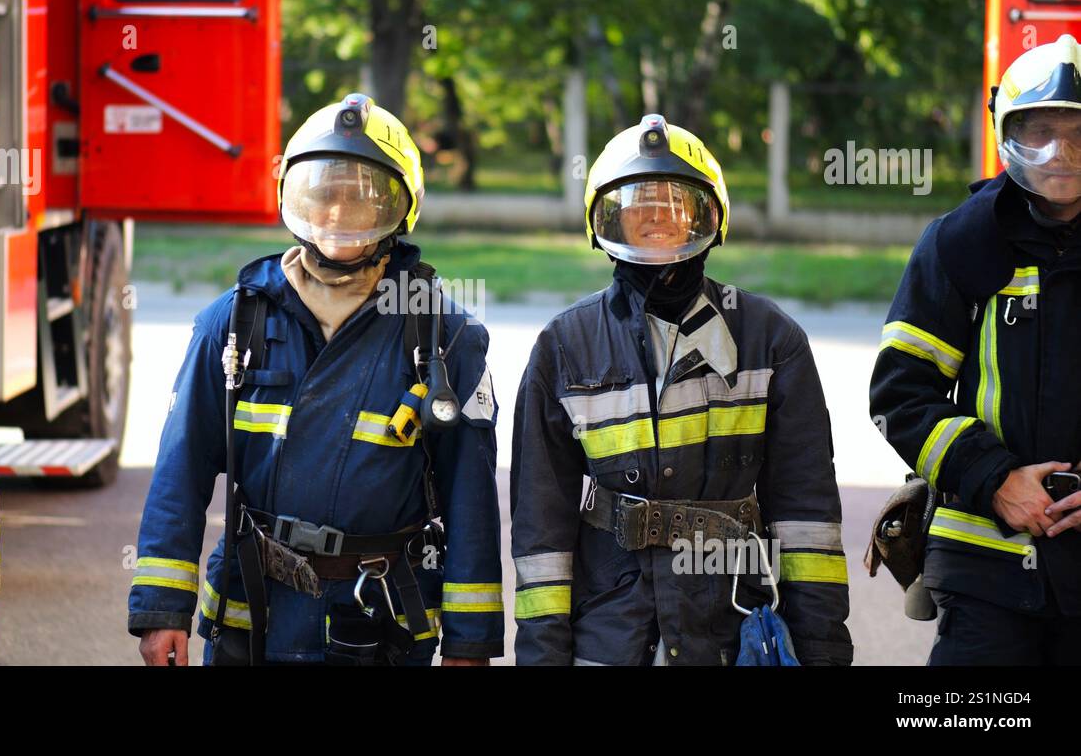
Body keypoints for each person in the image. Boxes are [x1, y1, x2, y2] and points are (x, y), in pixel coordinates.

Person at [129, 93, 503, 665]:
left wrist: (470, 644)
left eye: (362, 198)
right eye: (324, 194)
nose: (338, 214)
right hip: (252, 619)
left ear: (401, 210)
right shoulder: (230, 323)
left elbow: (470, 502)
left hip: (378, 626)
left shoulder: (447, 338)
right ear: (293, 198)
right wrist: (161, 609)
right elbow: (181, 472)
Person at [510, 113, 852, 665]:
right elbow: (540, 536)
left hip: (728, 630)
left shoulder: (770, 340)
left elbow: (808, 518)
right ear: (605, 224)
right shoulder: (564, 347)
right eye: (638, 205)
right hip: (610, 636)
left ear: (711, 220)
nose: (657, 220)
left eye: (676, 204)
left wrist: (821, 654)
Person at [870, 34, 1081, 665]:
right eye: (1039, 132)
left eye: (1077, 134)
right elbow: (901, 395)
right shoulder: (960, 243)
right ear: (1005, 133)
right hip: (985, 565)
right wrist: (995, 480)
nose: (1060, 153)